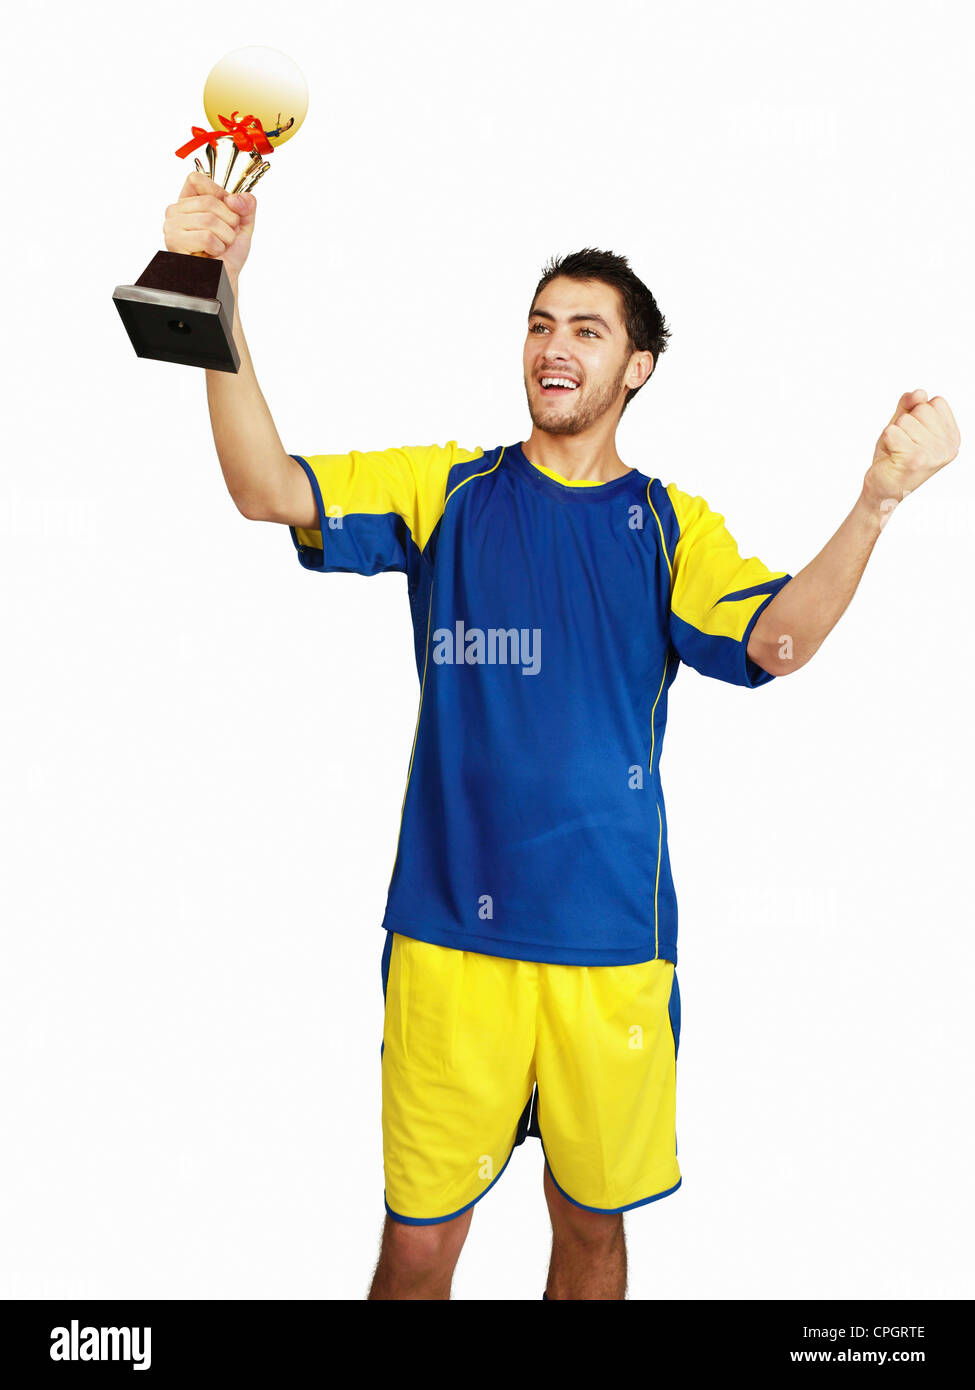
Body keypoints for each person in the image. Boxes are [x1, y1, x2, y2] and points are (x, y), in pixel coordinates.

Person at [163, 172, 961, 1300]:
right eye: (540, 324)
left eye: (588, 330)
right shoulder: (447, 491)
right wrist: (217, 303)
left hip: (609, 949)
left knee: (590, 1234)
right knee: (421, 1243)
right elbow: (262, 488)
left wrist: (875, 502)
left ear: (636, 368)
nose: (556, 346)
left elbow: (777, 645)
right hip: (450, 941)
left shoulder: (672, 526)